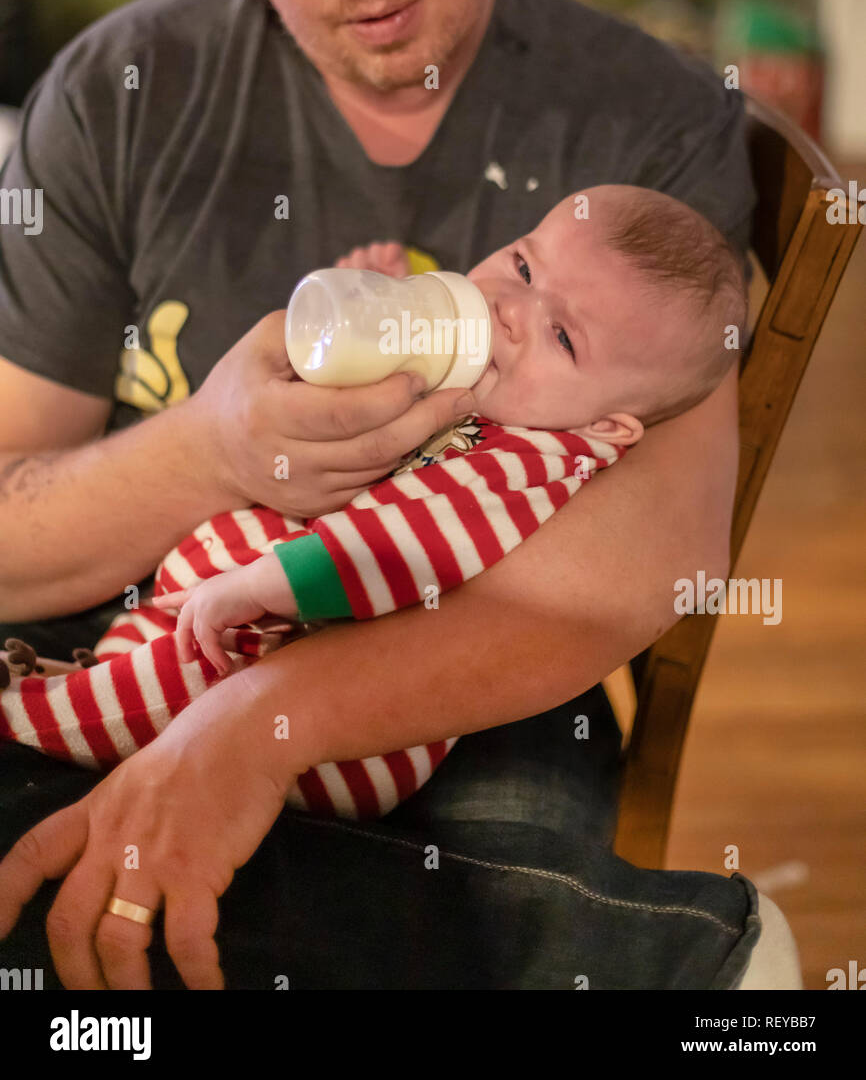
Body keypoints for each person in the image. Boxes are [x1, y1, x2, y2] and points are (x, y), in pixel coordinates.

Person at [0, 0, 787, 990]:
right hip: (141, 636)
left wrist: (254, 732)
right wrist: (219, 450)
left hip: (468, 682)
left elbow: (633, 570)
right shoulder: (118, 97)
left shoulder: (640, 132)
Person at [0, 184, 747, 826]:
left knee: (199, 652)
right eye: (522, 264)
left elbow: (402, 545)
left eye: (561, 335)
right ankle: (87, 677)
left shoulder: (532, 462)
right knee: (209, 577)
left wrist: (264, 586)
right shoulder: (487, 390)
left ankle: (32, 719)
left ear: (608, 427)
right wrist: (376, 318)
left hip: (347, 735)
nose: (511, 308)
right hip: (278, 633)